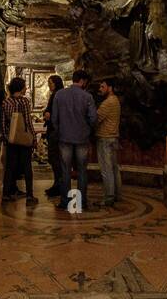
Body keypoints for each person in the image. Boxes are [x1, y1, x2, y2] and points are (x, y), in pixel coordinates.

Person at [48, 69, 97, 210]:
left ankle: (65, 201)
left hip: (64, 138)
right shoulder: (87, 97)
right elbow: (93, 119)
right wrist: (86, 129)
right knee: (82, 170)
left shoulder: (59, 95)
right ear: (82, 81)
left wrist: (59, 130)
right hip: (82, 138)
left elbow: (54, 118)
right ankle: (81, 202)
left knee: (65, 171)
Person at [0, 76, 37, 205]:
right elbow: (27, 121)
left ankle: (5, 194)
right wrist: (33, 137)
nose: (26, 88)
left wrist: (6, 138)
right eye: (24, 86)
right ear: (21, 88)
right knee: (27, 167)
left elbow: (3, 122)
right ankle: (30, 196)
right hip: (23, 139)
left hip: (11, 139)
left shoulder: (6, 102)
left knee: (9, 168)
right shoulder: (24, 102)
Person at [95, 79, 122, 207]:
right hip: (114, 137)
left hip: (105, 138)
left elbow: (96, 119)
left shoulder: (107, 103)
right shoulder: (116, 100)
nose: (100, 89)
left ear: (110, 88)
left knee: (106, 169)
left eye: (102, 86)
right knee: (114, 168)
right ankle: (117, 194)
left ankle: (108, 197)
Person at [42, 74, 64, 197]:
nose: (49, 85)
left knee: (55, 159)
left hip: (55, 132)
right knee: (55, 159)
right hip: (56, 131)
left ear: (56, 83)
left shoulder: (57, 95)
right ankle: (58, 184)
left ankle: (58, 185)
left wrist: (47, 114)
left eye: (50, 83)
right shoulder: (57, 95)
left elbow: (52, 113)